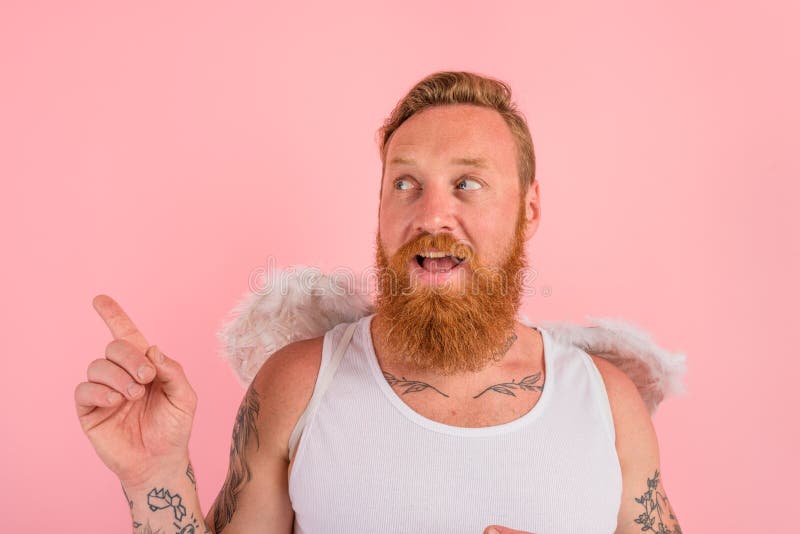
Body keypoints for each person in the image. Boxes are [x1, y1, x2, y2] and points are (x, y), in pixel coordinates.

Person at [75, 71, 682, 533]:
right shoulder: (297, 384)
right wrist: (155, 476)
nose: (431, 215)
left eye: (467, 183)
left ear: (528, 208)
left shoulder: (608, 405)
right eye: (405, 184)